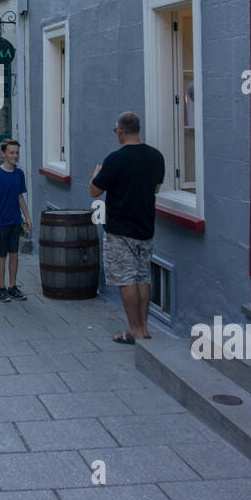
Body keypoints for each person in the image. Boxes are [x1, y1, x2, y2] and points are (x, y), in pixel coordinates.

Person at [90, 111, 166, 345]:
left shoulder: (115, 159)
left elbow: (95, 191)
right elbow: (156, 190)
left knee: (126, 279)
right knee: (143, 277)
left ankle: (134, 330)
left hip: (120, 230)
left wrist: (95, 175)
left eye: (116, 131)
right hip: (146, 227)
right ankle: (144, 328)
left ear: (121, 131)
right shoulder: (156, 157)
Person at [0, 139, 31, 301]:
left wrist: (27, 216)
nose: (15, 156)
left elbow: (20, 196)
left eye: (17, 153)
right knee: (1, 255)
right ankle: (1, 287)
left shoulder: (19, 174)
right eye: (11, 153)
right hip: (0, 221)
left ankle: (13, 285)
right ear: (3, 154)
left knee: (14, 253)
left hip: (14, 220)